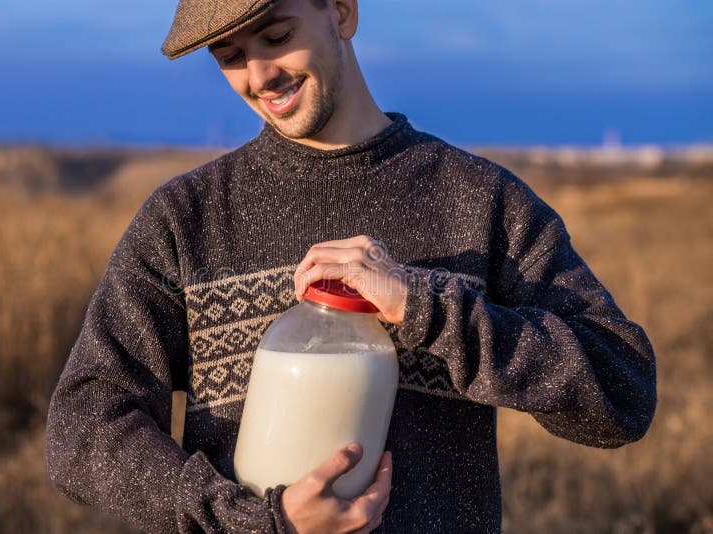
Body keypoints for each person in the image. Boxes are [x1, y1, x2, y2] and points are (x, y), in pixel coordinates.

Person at [45, 0, 657, 532]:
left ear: (342, 11)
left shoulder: (479, 203)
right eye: (229, 55)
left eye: (277, 37)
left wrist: (428, 310)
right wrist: (256, 523)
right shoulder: (187, 219)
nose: (260, 76)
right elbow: (84, 427)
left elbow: (622, 394)